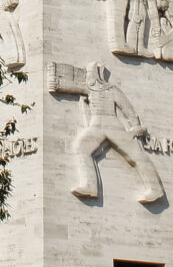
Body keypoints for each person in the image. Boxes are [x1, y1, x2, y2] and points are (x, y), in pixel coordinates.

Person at [69, 63, 165, 204]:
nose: (89, 77)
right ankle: (90, 185)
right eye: (88, 74)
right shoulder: (88, 89)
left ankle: (155, 188)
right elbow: (71, 86)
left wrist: (135, 127)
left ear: (97, 74)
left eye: (91, 73)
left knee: (136, 155)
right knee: (81, 148)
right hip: (96, 126)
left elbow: (127, 108)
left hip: (112, 124)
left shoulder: (111, 90)